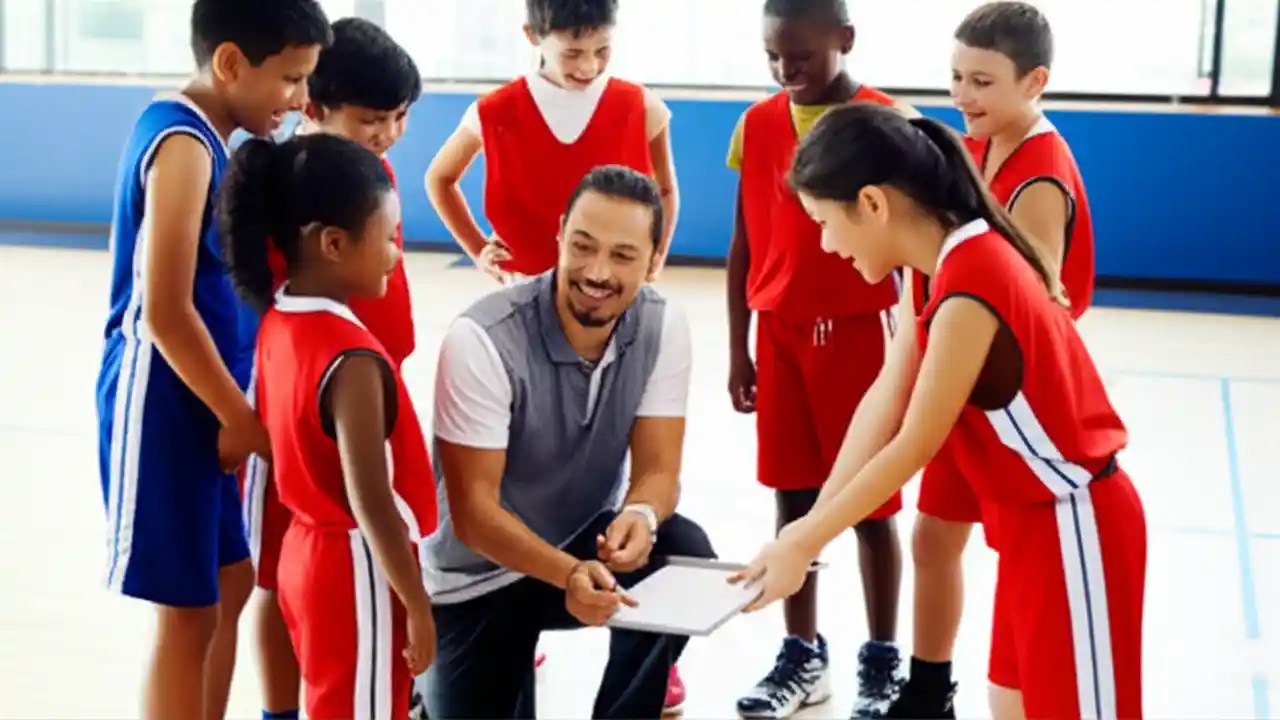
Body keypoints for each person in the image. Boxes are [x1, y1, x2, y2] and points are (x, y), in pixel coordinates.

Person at [732, 102, 1146, 720]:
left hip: (1075, 528)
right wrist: (805, 529)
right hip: (1029, 528)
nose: (824, 243)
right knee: (1009, 704)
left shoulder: (972, 281)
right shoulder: (936, 266)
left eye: (823, 221)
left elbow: (911, 444)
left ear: (873, 204)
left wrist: (804, 541)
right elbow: (883, 399)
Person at [93, 2, 330, 718]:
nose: (299, 100)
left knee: (230, 580)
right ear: (230, 64)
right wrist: (243, 416)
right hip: (160, 404)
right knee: (188, 613)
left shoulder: (214, 141)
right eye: (290, 80)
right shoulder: (184, 145)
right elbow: (165, 309)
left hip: (205, 401)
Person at [420, 165, 714, 720]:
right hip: (475, 576)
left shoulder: (662, 326)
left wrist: (643, 515)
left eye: (623, 256)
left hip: (582, 544)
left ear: (654, 261)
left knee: (684, 552)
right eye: (582, 246)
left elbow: (658, 468)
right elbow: (474, 516)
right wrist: (567, 574)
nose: (597, 272)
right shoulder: (482, 338)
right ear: (559, 235)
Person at [891, 4, 1099, 715]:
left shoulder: (1040, 173)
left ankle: (1008, 688)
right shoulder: (978, 143)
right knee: (932, 538)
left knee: (1016, 560)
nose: (962, 94)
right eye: (955, 76)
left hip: (1013, 407)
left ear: (1034, 81)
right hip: (967, 385)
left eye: (981, 80)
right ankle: (928, 687)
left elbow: (1031, 304)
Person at [725, 1, 914, 716]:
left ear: (846, 39)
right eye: (773, 56)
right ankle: (803, 656)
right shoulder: (757, 124)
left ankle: (883, 658)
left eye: (800, 55)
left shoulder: (885, 122)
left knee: (869, 506)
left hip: (859, 333)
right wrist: (739, 344)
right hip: (778, 334)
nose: (785, 69)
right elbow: (744, 243)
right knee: (793, 497)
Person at [236, 18, 424, 719]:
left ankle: (378, 681)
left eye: (401, 117)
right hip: (307, 417)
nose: (390, 133)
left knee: (374, 561)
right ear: (313, 103)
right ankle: (286, 708)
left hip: (372, 401)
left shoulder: (376, 176)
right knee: (283, 577)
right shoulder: (289, 194)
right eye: (373, 119)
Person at [426, 0, 679, 286]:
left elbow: (665, 190)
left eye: (602, 50)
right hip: (526, 286)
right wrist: (477, 248)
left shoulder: (642, 106)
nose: (589, 66)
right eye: (572, 53)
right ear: (532, 35)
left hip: (614, 287)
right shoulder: (495, 112)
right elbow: (440, 178)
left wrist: (657, 254)